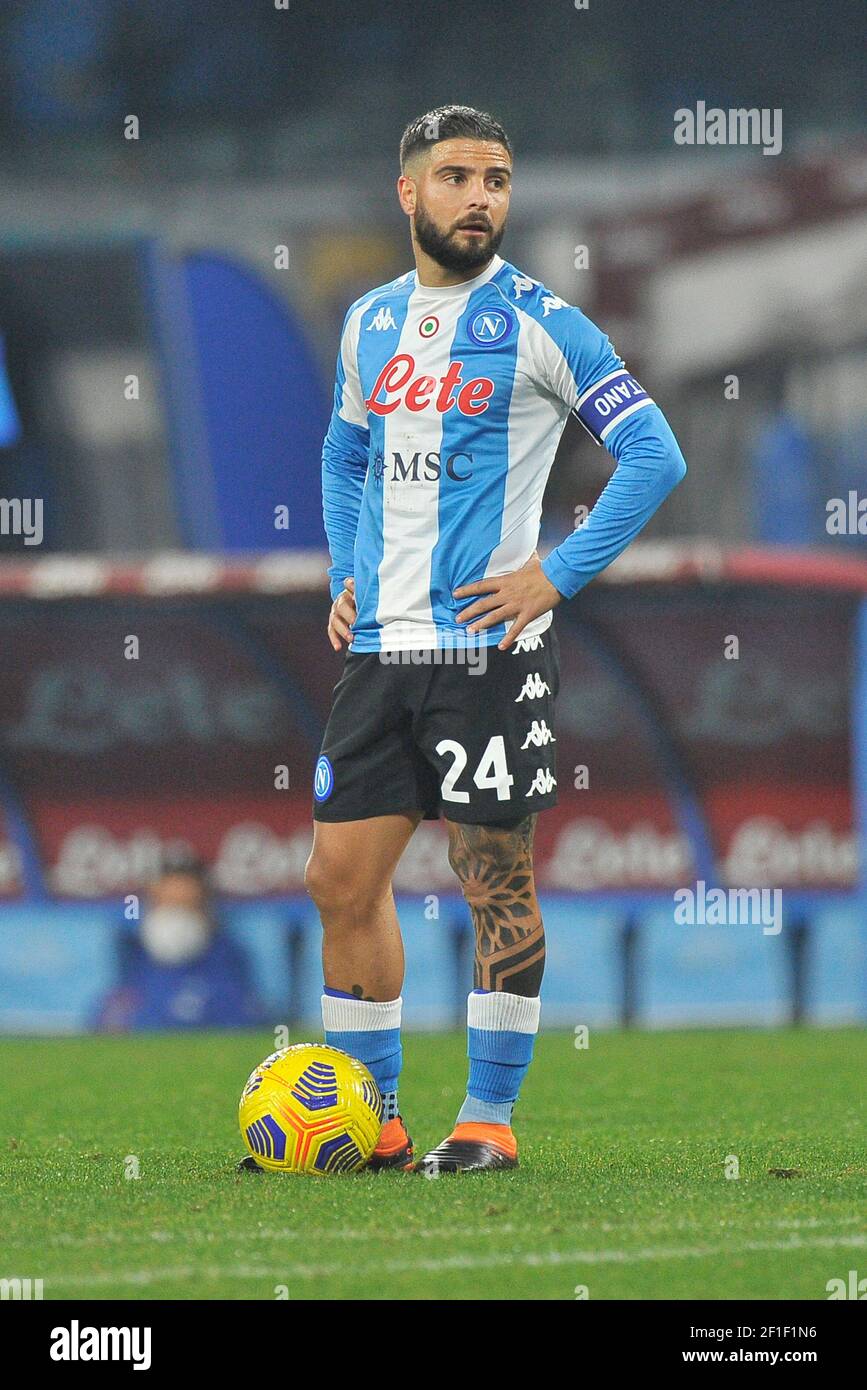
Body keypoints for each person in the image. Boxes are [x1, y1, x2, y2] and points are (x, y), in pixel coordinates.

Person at [271, 105, 685, 1175]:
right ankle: (375, 1122)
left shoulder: (546, 322)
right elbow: (344, 456)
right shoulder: (368, 322)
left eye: (496, 180)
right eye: (456, 177)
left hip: (488, 652)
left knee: (492, 874)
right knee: (338, 879)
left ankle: (487, 1120)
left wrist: (553, 575)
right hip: (381, 648)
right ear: (408, 192)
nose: (479, 198)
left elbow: (654, 453)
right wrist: (346, 572)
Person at [95, 849, 263, 1032]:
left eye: (185, 888)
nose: (176, 895)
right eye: (168, 888)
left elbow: (246, 1017)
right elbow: (107, 1018)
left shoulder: (227, 952)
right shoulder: (130, 949)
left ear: (203, 894)